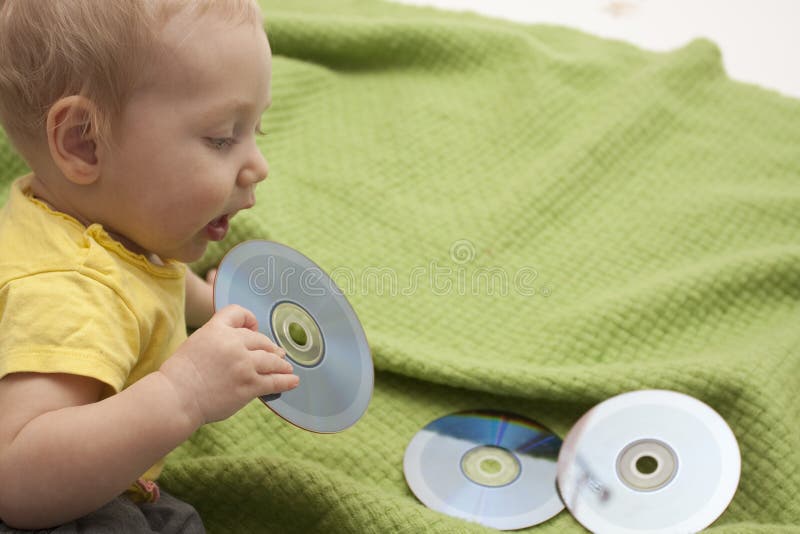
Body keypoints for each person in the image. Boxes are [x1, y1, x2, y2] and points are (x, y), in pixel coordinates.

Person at [0, 0, 299, 530]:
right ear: (84, 141)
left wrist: (215, 302)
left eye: (259, 129)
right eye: (222, 138)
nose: (258, 166)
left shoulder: (118, 218)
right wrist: (184, 392)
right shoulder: (70, 294)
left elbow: (151, 273)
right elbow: (16, 479)